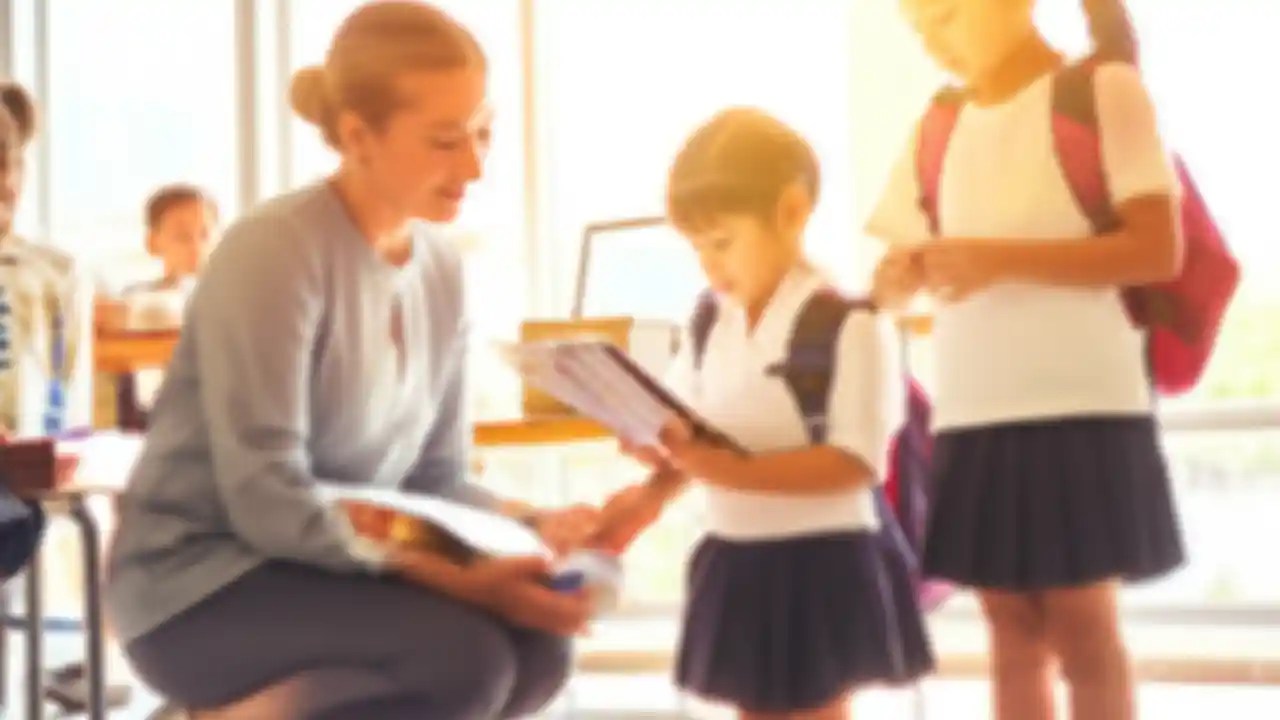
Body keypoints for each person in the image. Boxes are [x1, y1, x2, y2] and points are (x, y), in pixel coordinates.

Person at [106, 3, 598, 718]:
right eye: (444, 141)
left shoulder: (441, 270)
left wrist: (536, 525)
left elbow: (436, 480)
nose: (475, 165)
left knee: (541, 651)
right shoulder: (275, 251)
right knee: (462, 659)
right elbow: (266, 499)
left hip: (325, 568)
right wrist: (453, 580)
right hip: (202, 581)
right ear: (356, 136)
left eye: (484, 132)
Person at [868, 1, 1184, 719]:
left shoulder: (1103, 90)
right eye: (922, 32)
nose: (935, 45)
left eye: (946, 17)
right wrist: (898, 279)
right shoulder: (937, 125)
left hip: (1083, 406)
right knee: (1009, 635)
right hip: (974, 412)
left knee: (1083, 634)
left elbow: (1154, 249)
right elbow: (897, 268)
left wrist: (995, 261)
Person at [597, 108, 934, 720]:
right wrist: (653, 487)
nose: (709, 265)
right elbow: (696, 435)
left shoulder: (848, 324)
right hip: (738, 555)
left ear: (792, 212)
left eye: (722, 242)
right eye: (697, 247)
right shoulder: (709, 322)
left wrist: (718, 469)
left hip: (820, 560)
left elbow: (853, 463)